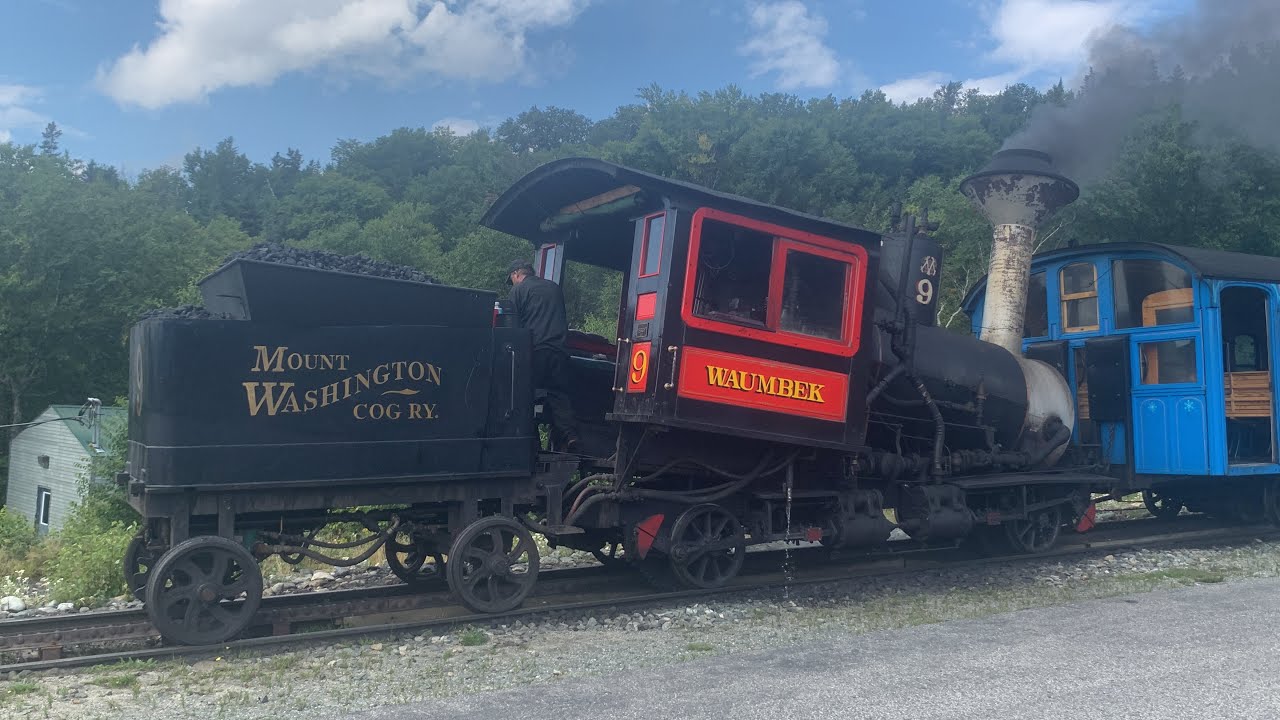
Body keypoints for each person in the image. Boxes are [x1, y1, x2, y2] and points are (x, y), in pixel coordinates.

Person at [506, 259, 582, 453]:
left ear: (516, 274)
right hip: (559, 351)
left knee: (523, 396)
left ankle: (531, 444)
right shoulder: (553, 288)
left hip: (535, 351)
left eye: (512, 279)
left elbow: (513, 328)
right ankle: (570, 436)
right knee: (558, 395)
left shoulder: (518, 291)